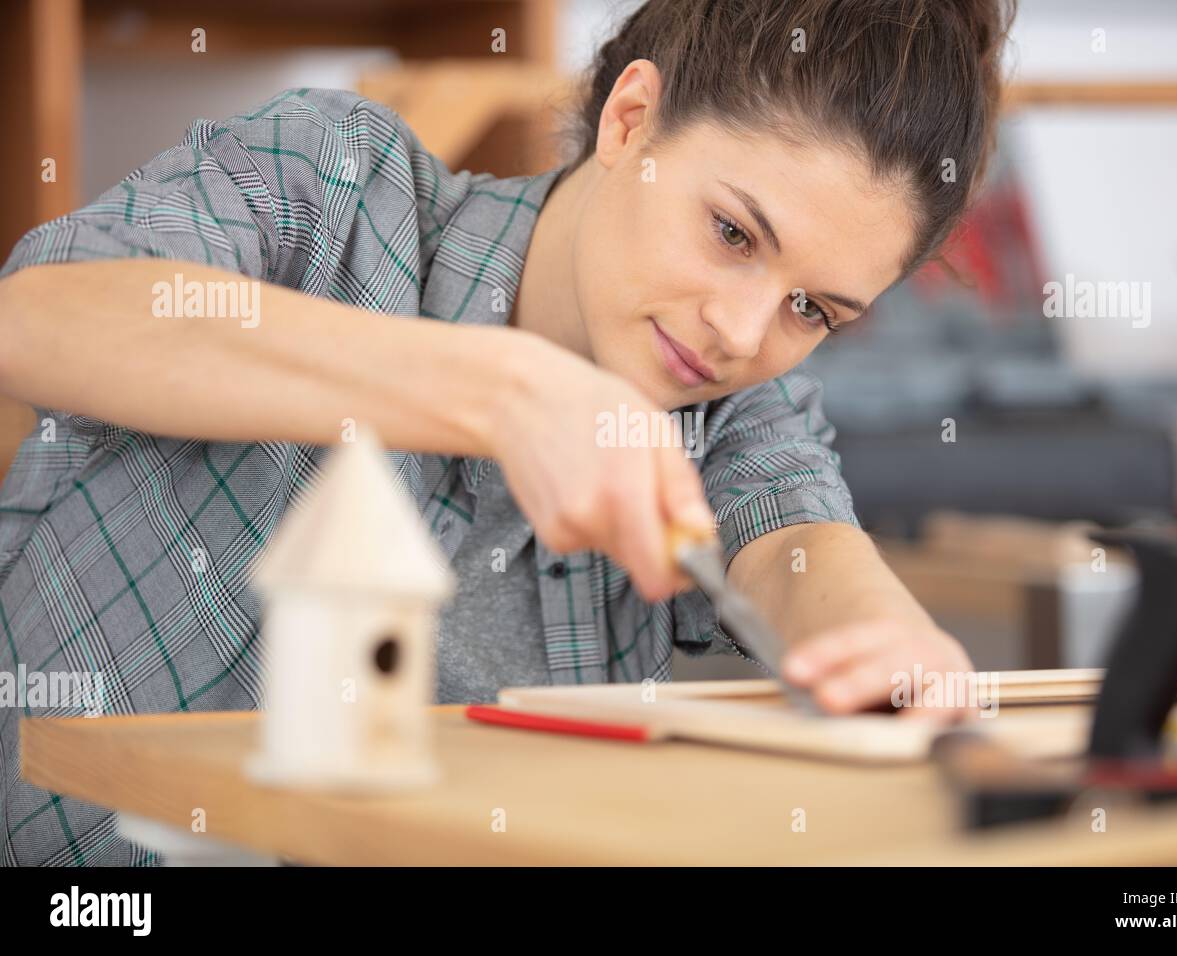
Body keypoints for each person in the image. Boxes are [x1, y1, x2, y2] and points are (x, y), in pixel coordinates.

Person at [0, 0, 1014, 864]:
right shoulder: (336, 180)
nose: (742, 331)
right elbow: (33, 321)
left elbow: (800, 547)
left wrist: (880, 638)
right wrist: (498, 390)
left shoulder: (733, 409)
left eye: (813, 312)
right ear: (630, 121)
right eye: (732, 233)